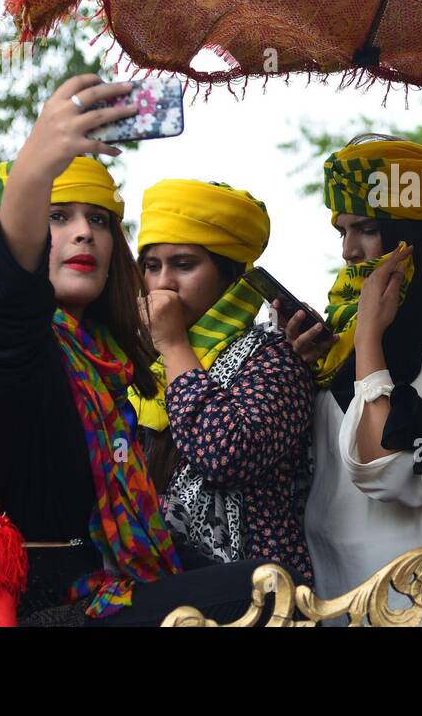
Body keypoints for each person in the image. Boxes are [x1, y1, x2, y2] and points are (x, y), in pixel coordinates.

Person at [0, 74, 260, 626]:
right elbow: (8, 304)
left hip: (75, 598)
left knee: (266, 586)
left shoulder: (104, 368)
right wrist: (38, 160)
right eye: (58, 217)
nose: (83, 233)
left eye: (99, 220)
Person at [284, 135, 422, 611]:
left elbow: (397, 471)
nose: (349, 252)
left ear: (411, 233)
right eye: (341, 231)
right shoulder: (346, 333)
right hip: (333, 586)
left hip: (421, 593)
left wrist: (367, 343)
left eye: (365, 229)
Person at [134, 178, 314, 582]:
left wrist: (175, 345)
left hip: (255, 598)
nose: (163, 283)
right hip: (155, 591)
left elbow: (227, 456)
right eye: (151, 266)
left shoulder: (275, 356)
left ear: (229, 276)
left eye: (184, 264)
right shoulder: (136, 369)